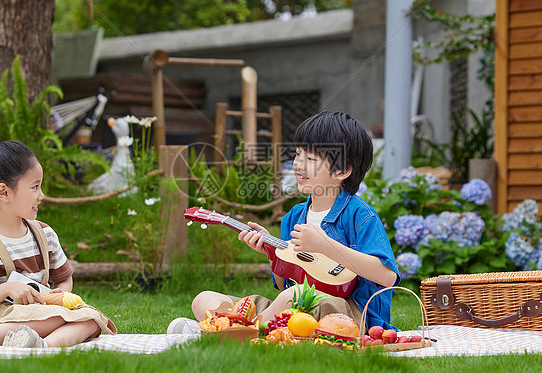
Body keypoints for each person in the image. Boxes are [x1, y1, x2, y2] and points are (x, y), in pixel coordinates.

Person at [170, 111, 399, 334]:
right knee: (204, 300)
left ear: (342, 170)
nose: (299, 164)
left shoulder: (359, 215)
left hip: (350, 314)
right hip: (294, 310)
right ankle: (239, 330)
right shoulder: (294, 216)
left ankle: (229, 332)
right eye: (298, 155)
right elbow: (283, 287)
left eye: (310, 158)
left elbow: (387, 276)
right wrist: (272, 253)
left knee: (295, 297)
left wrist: (324, 245)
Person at [0, 135, 116, 348]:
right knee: (59, 317)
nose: (42, 195)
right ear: (4, 192)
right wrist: (6, 289)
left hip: (42, 315)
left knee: (91, 319)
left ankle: (40, 346)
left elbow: (64, 278)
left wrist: (62, 292)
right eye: (35, 187)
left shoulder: (45, 234)